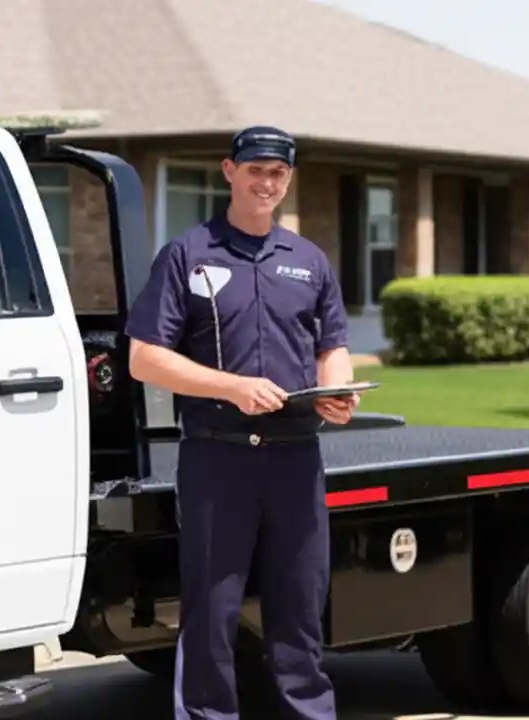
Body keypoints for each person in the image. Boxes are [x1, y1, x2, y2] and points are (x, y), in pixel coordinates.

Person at [125, 126, 357, 719]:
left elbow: (332, 344)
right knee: (211, 614)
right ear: (229, 171)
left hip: (296, 459)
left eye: (278, 173)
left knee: (300, 611)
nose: (267, 182)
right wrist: (233, 388)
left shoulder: (308, 261)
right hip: (217, 458)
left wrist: (336, 391)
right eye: (255, 170)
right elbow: (145, 357)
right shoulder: (189, 254)